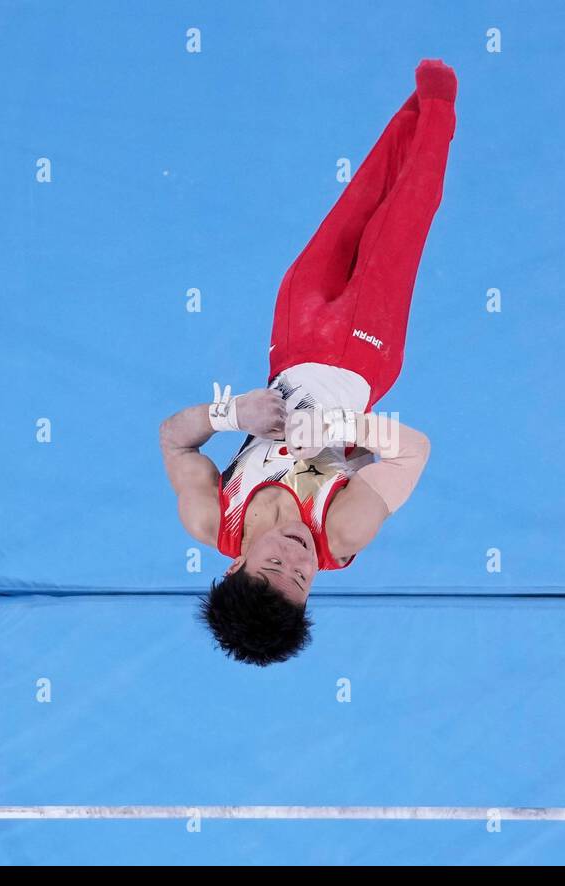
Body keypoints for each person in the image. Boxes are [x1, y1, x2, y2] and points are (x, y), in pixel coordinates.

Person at [159, 59, 457, 665]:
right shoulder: (341, 534)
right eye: (301, 580)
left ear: (236, 564)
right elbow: (415, 448)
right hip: (362, 353)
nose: (297, 557)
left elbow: (173, 441)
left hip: (290, 341)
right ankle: (443, 105)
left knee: (359, 200)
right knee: (402, 219)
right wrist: (339, 430)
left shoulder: (210, 519)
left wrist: (229, 412)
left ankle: (412, 109)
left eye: (274, 564)